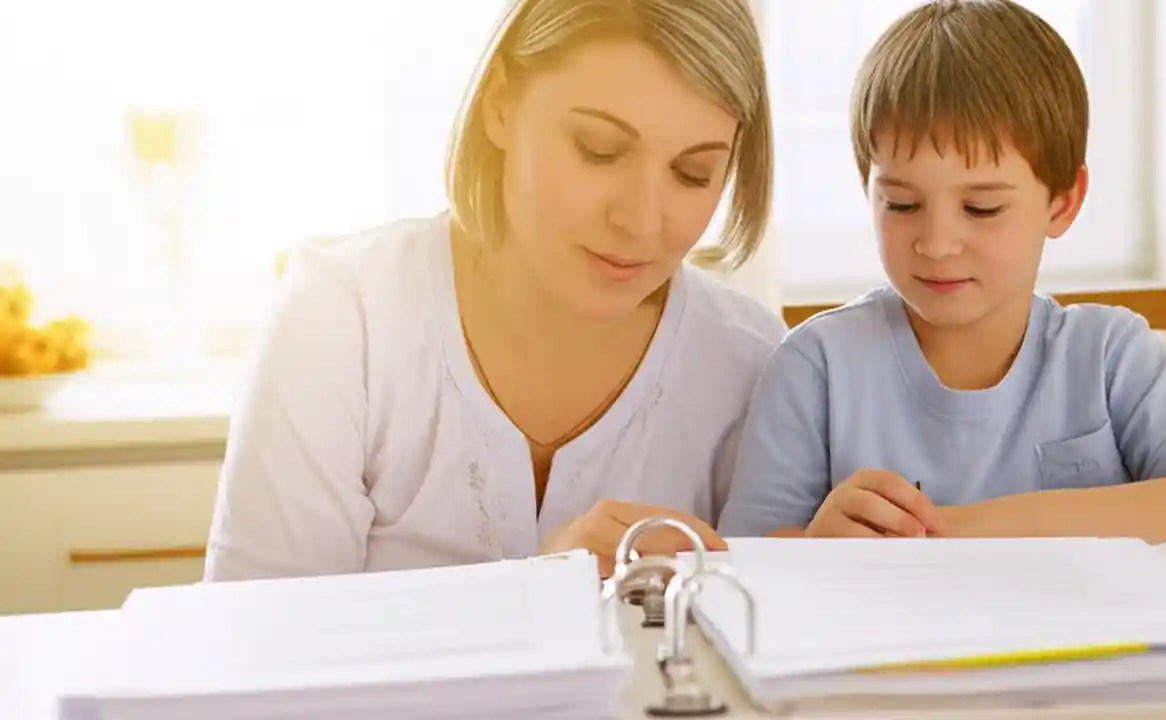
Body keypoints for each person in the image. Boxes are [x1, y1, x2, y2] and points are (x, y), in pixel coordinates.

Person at [205, 0, 785, 581]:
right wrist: (540, 590)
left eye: (692, 174)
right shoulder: (342, 316)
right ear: (500, 102)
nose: (639, 221)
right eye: (599, 148)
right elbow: (262, 627)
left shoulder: (752, 361)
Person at [718, 0, 1166, 564]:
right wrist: (819, 551)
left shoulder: (1110, 356)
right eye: (902, 203)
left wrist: (955, 531)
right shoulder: (815, 367)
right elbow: (741, 562)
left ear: (1063, 202)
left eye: (982, 208)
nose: (937, 243)